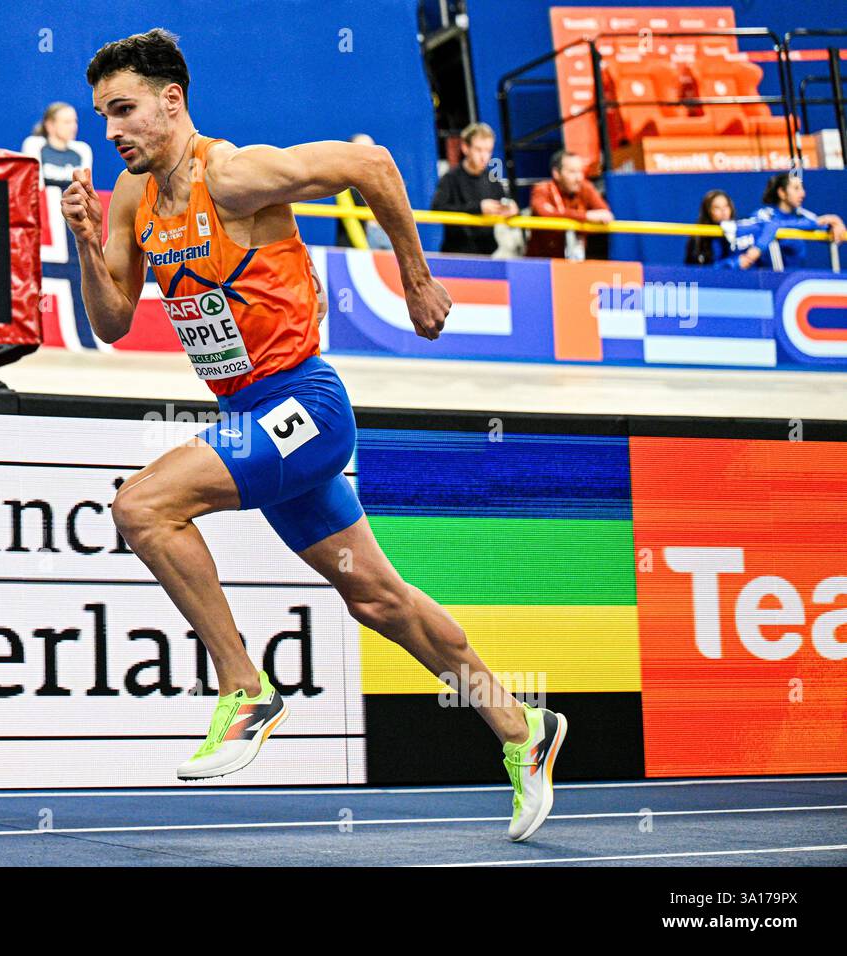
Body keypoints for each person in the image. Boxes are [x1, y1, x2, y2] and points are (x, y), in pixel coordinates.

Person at [62, 28, 567, 842]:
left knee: (143, 508)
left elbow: (371, 167)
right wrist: (89, 247)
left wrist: (417, 278)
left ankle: (244, 688)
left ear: (171, 102)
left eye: (123, 110)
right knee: (378, 598)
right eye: (102, 115)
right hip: (252, 420)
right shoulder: (128, 199)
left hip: (307, 408)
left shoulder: (234, 173)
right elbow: (114, 321)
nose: (111, 130)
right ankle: (522, 728)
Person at [431, 122, 517, 256]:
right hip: (456, 256)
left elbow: (504, 203)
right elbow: (437, 209)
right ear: (465, 147)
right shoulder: (450, 178)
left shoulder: (493, 180)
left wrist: (511, 208)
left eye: (488, 150)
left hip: (487, 255)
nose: (484, 156)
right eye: (479, 149)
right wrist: (479, 208)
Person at [525, 149, 614, 260]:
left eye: (580, 171)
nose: (579, 178)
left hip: (575, 262)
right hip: (542, 263)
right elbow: (545, 213)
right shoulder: (542, 189)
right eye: (572, 172)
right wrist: (586, 216)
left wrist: (559, 214)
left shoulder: (585, 187)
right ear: (556, 173)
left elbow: (605, 214)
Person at [749, 172, 847, 270]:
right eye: (796, 188)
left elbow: (825, 225)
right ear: (782, 193)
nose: (803, 193)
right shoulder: (764, 214)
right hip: (765, 278)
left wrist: (835, 223)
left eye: (802, 188)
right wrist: (815, 223)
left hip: (796, 279)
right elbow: (770, 225)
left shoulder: (803, 215)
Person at [334, 133, 392, 250]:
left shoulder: (384, 182)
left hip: (385, 249)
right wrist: (365, 251)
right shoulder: (342, 183)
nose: (368, 155)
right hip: (356, 251)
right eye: (362, 149)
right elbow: (350, 221)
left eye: (372, 149)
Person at [21, 101, 92, 191]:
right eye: (67, 122)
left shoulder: (83, 149)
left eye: (75, 121)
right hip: (44, 204)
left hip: (73, 203)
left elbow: (86, 189)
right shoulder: (34, 145)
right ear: (50, 125)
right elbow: (34, 188)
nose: (74, 127)